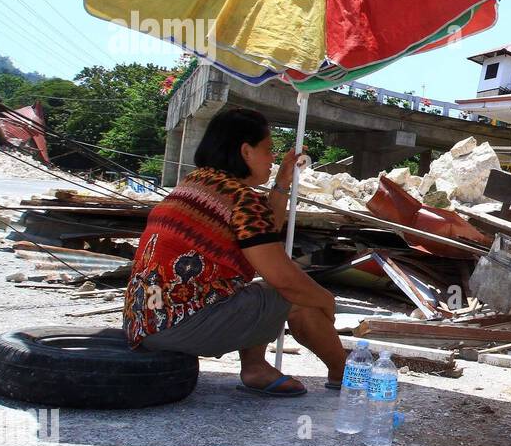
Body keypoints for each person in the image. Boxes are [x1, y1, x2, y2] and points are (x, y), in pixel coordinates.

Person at [123, 107, 347, 397]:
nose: (271, 159)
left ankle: (257, 368)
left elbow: (263, 232)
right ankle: (345, 372)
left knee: (255, 291)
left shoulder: (193, 185)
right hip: (179, 326)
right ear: (245, 152)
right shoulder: (240, 199)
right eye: (268, 150)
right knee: (294, 295)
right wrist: (327, 302)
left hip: (143, 323)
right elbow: (285, 280)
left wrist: (280, 184)